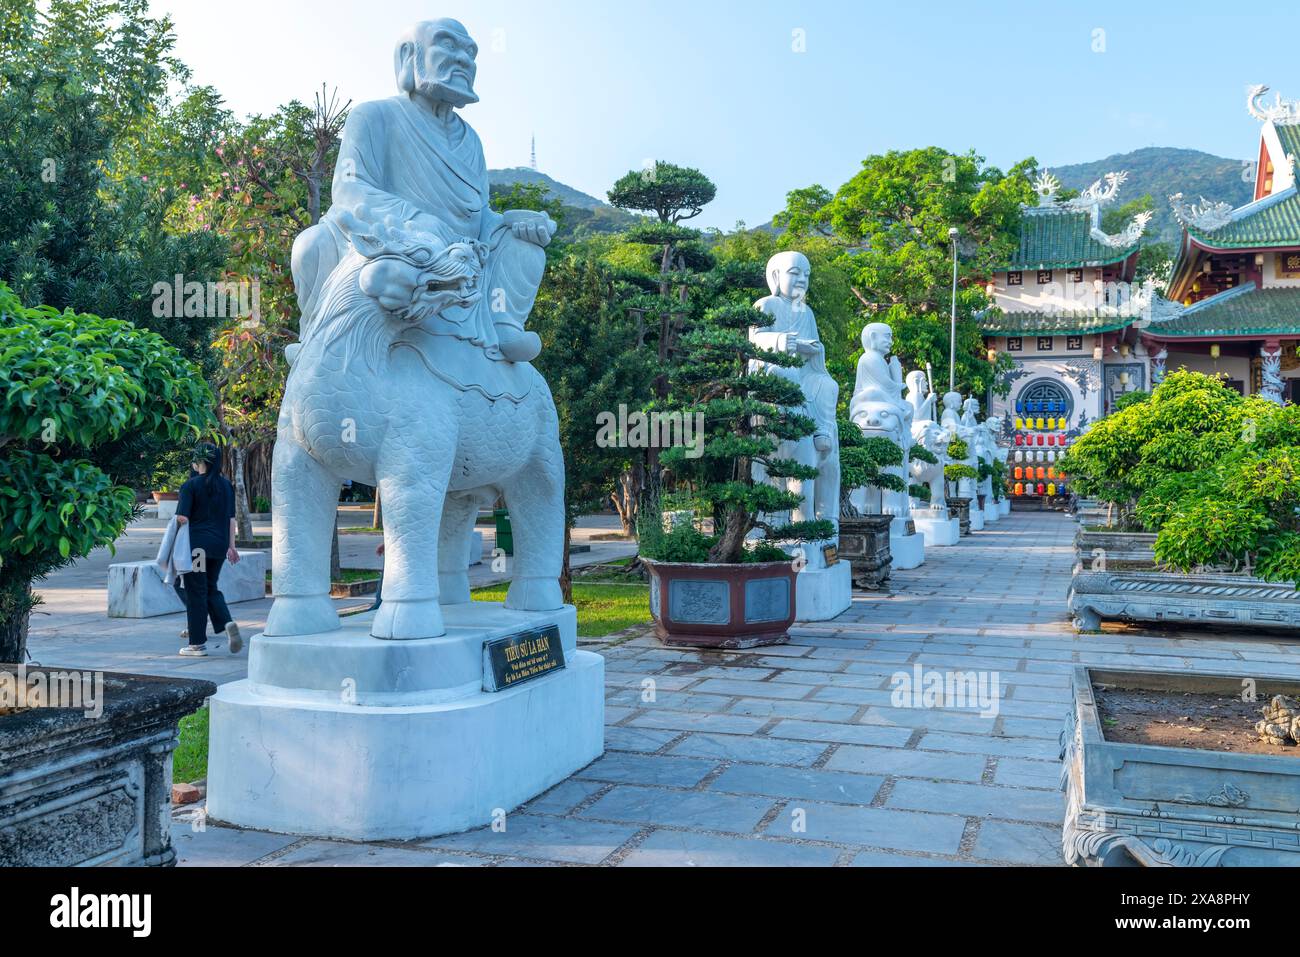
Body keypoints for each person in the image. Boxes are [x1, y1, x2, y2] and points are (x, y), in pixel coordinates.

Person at [174, 442, 243, 657]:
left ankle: (197, 644)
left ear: (200, 462)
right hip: (219, 545)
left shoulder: (190, 486)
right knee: (210, 587)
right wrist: (232, 546)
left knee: (196, 591)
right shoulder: (226, 485)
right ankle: (226, 622)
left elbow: (182, 517)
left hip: (197, 548)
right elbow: (232, 519)